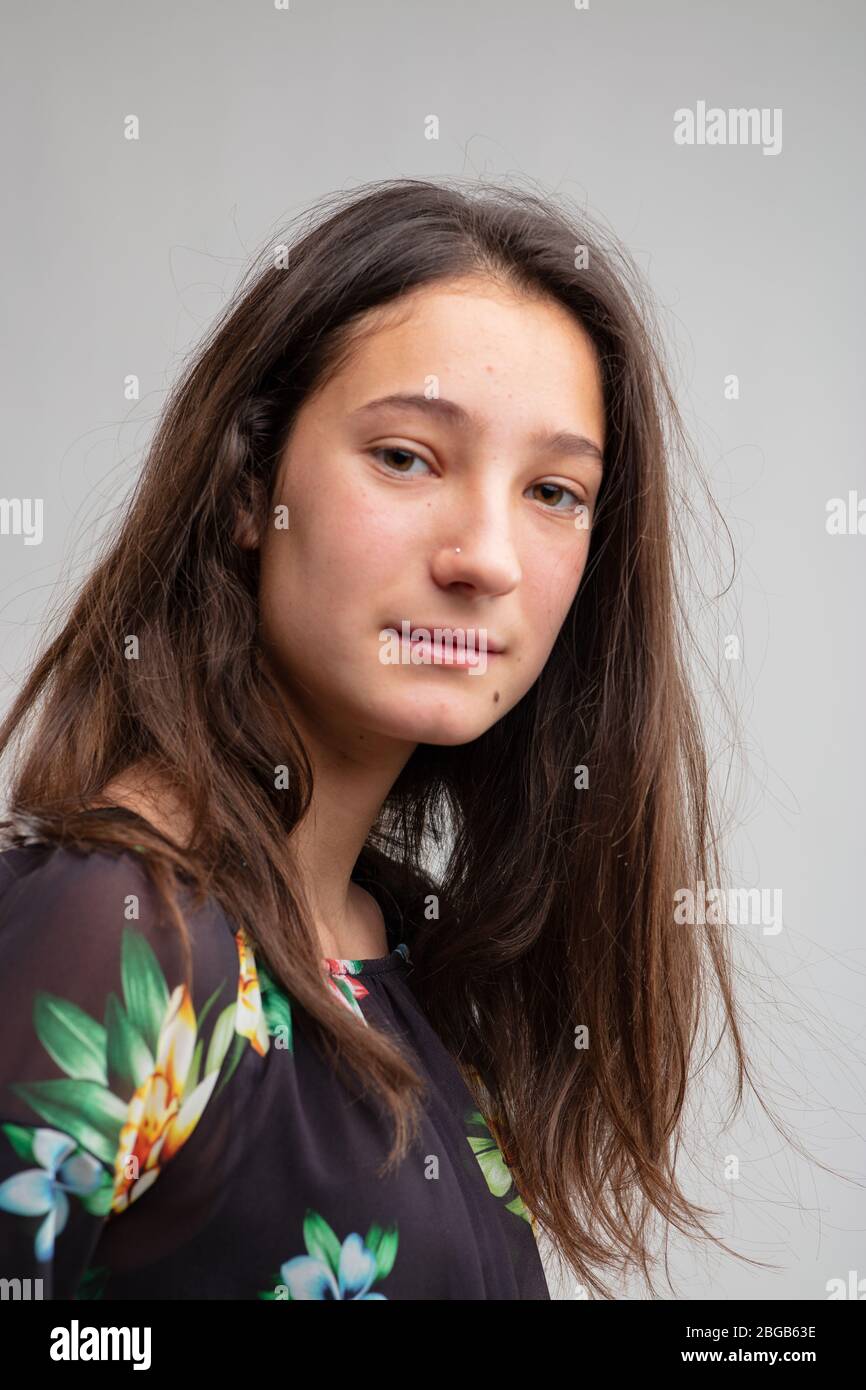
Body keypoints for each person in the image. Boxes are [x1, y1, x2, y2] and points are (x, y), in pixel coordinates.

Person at [0, 177, 747, 1300]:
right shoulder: (115, 928)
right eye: (405, 457)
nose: (484, 556)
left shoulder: (394, 954)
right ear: (251, 490)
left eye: (552, 490)